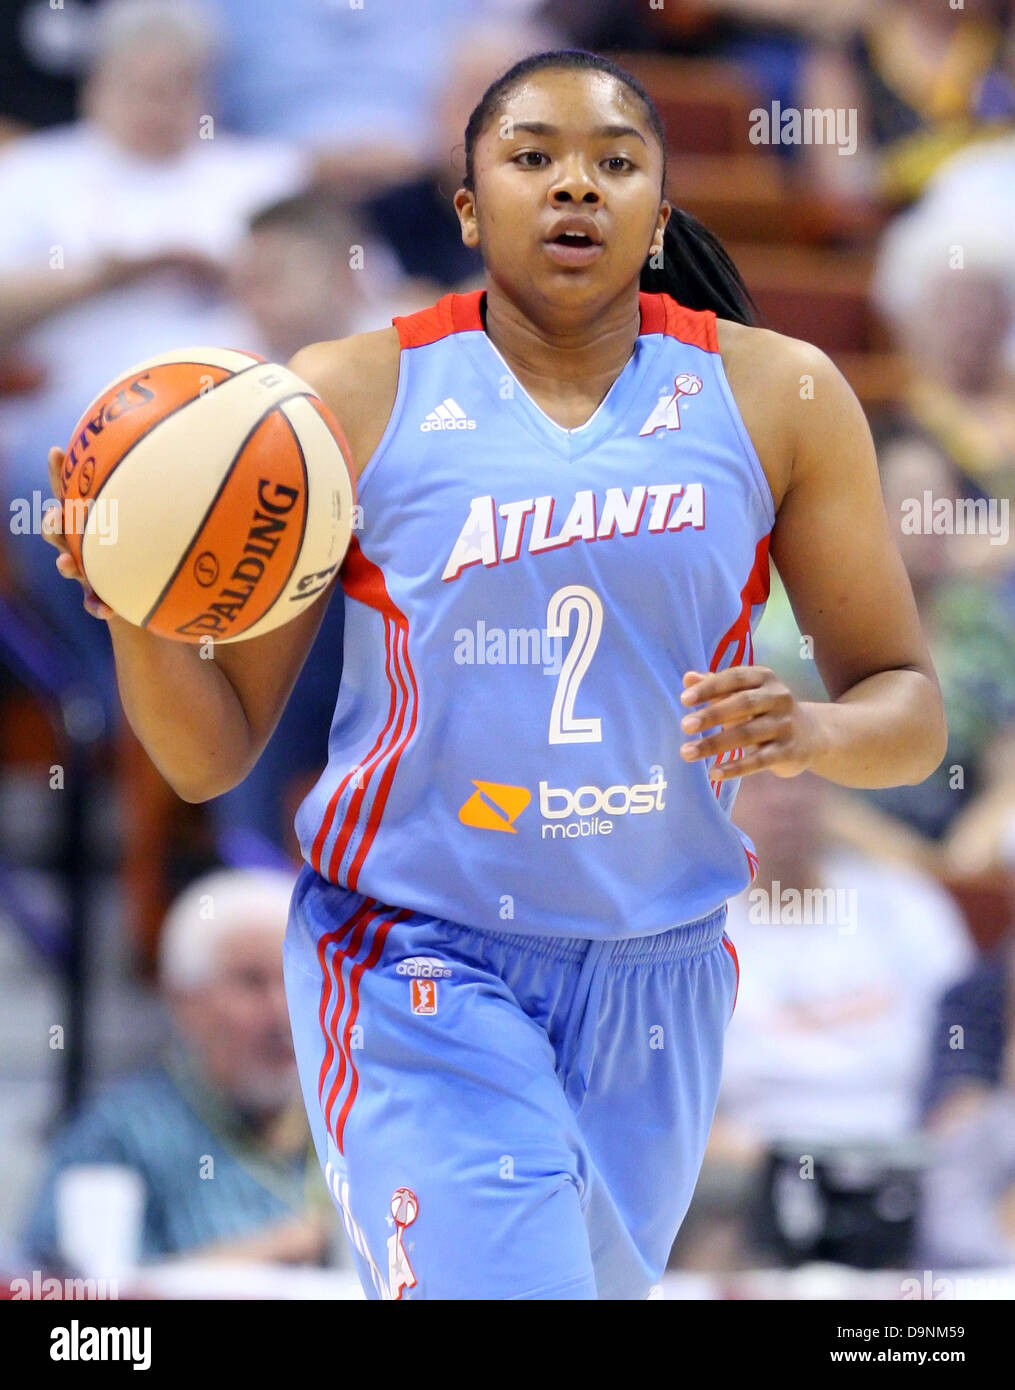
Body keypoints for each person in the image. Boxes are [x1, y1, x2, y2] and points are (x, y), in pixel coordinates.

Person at [44, 50, 948, 1300]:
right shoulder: (347, 396)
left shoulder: (781, 393)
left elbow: (906, 708)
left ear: (660, 214)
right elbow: (210, 755)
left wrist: (811, 730)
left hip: (660, 967)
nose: (574, 187)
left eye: (615, 163)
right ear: (468, 209)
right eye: (531, 158)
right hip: (422, 954)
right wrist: (138, 599)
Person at [18, 869, 335, 1270]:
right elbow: (50, 1281)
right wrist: (264, 1256)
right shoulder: (120, 1132)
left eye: (296, 981)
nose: (281, 1012)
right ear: (184, 1000)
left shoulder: (345, 1118)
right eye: (251, 983)